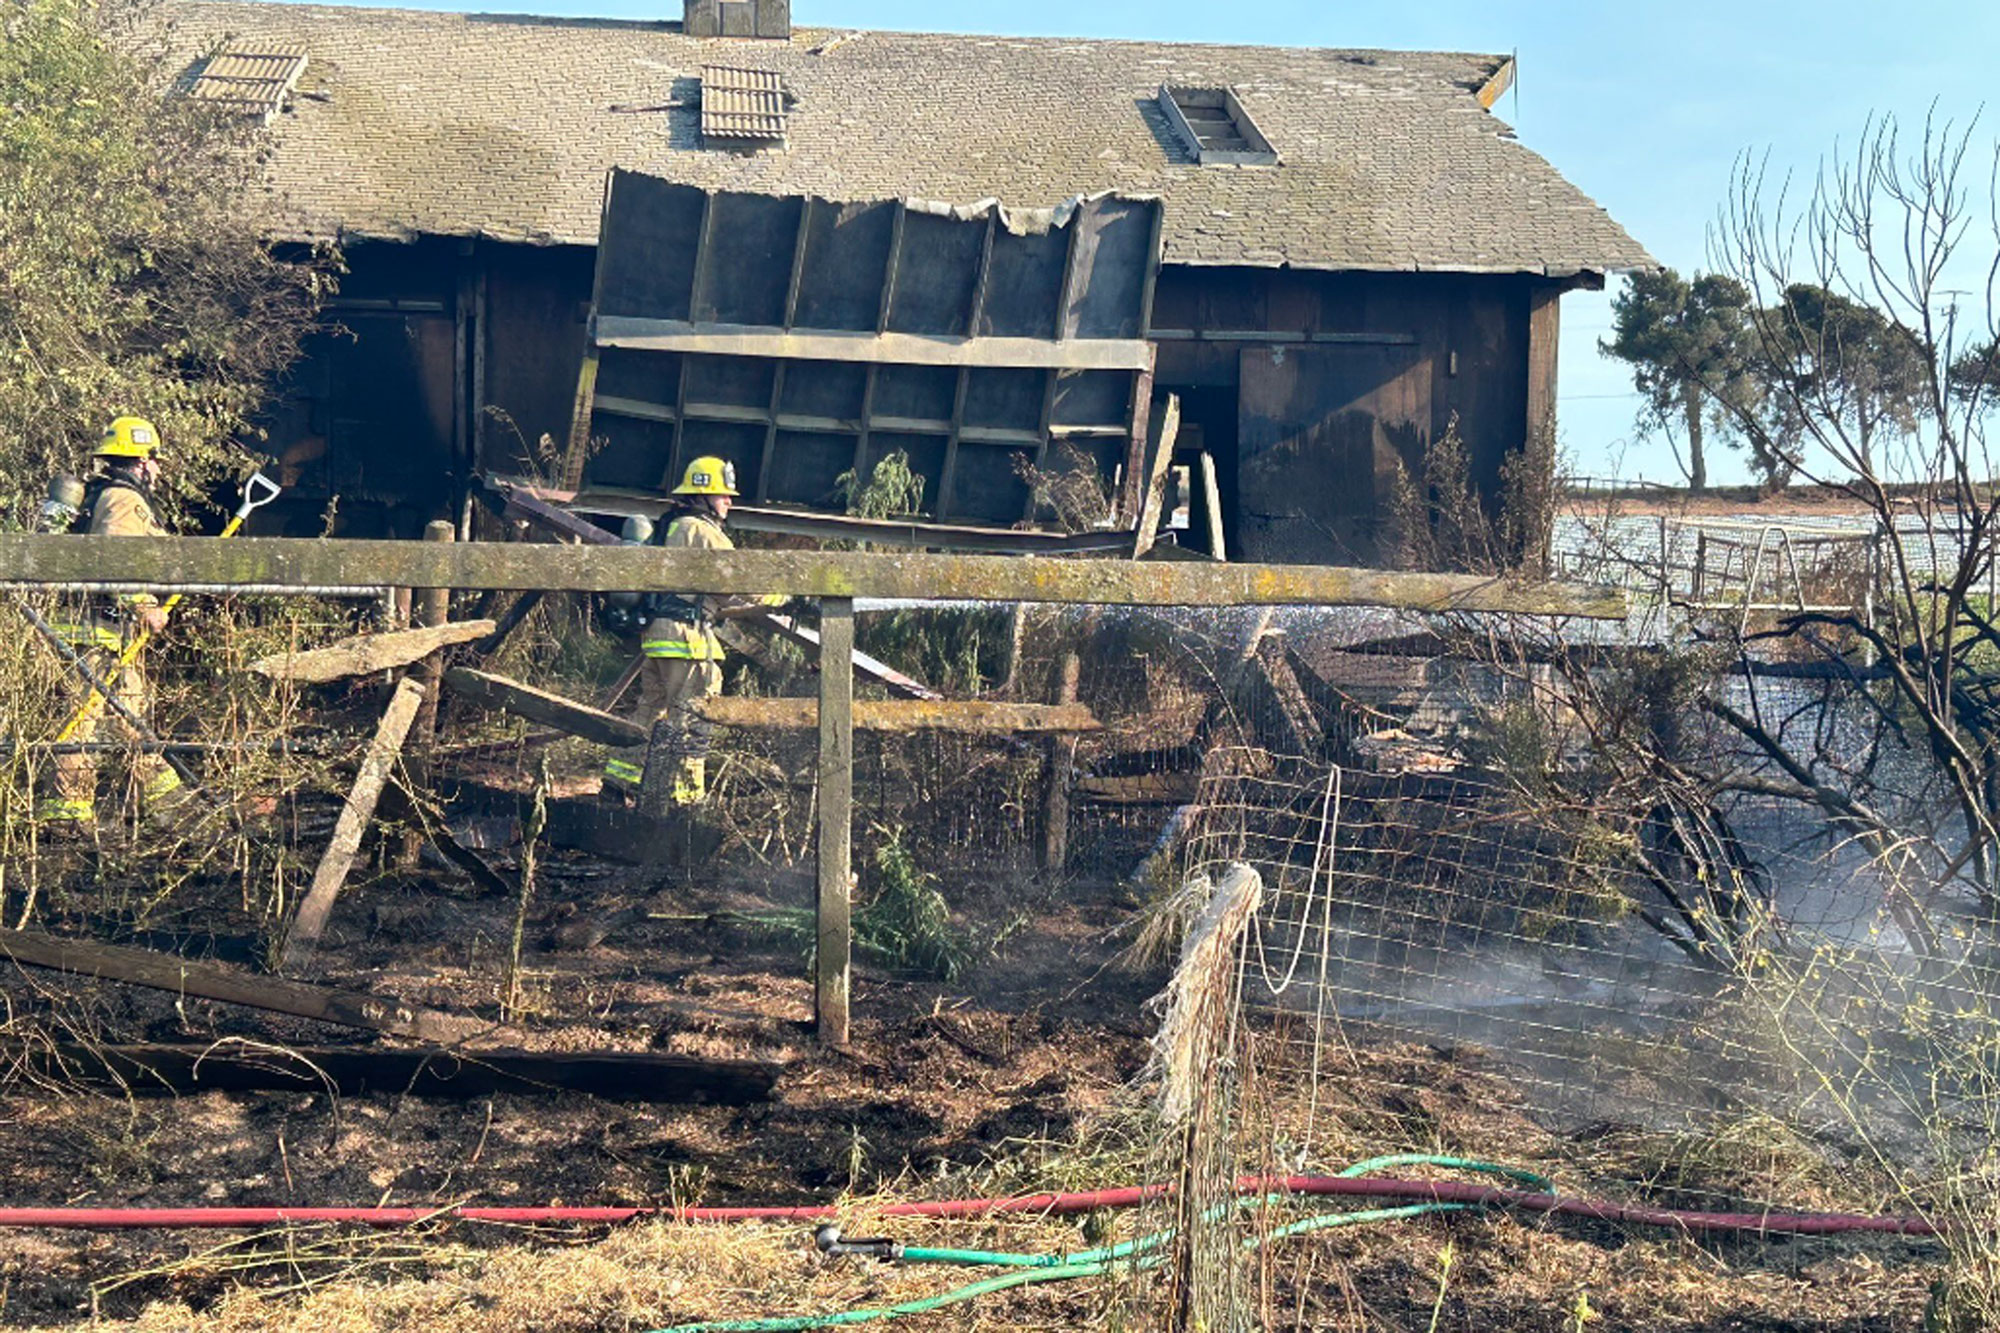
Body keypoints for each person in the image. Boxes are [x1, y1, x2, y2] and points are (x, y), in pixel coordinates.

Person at [604, 456, 779, 807]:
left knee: (649, 712)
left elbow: (716, 592)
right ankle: (685, 799)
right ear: (702, 495)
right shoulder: (701, 530)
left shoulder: (672, 526)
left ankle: (617, 783)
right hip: (687, 640)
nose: (729, 501)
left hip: (659, 638)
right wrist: (781, 597)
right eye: (722, 494)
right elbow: (740, 577)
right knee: (695, 716)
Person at [36, 417, 184, 829]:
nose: (158, 469)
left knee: (128, 716)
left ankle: (162, 804)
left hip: (99, 630)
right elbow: (117, 560)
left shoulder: (100, 494)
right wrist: (146, 607)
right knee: (83, 719)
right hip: (98, 631)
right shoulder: (123, 500)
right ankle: (66, 815)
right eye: (156, 460)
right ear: (142, 460)